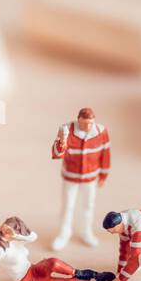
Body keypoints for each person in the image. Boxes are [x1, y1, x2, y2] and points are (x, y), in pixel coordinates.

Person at [0, 216, 112, 281]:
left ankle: (80, 272)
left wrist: (15, 235)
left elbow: (33, 237)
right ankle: (95, 279)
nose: (5, 232)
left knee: (54, 262)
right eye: (5, 229)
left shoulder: (15, 239)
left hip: (32, 268)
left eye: (10, 230)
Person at [50, 107, 111, 250]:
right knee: (67, 206)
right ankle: (64, 233)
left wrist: (104, 175)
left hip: (91, 179)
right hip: (70, 178)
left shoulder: (101, 132)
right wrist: (61, 142)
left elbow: (106, 154)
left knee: (88, 206)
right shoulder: (67, 130)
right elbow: (56, 154)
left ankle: (86, 232)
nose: (88, 126)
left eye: (91, 123)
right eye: (85, 123)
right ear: (78, 120)